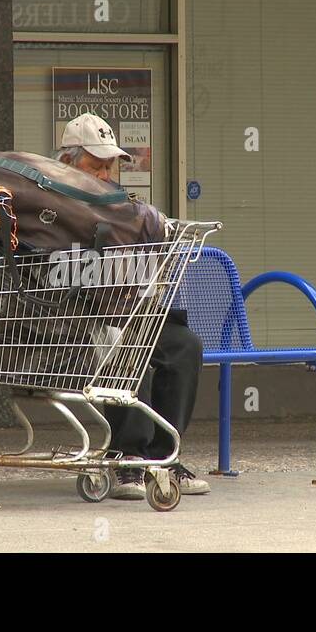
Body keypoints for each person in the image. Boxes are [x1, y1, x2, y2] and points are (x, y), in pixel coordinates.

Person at [53, 112, 210, 499]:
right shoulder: (48, 205)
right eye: (95, 165)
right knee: (124, 346)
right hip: (70, 320)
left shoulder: (124, 207)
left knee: (183, 345)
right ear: (67, 163)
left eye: (110, 166)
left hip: (123, 310)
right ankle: (126, 457)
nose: (105, 174)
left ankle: (163, 457)